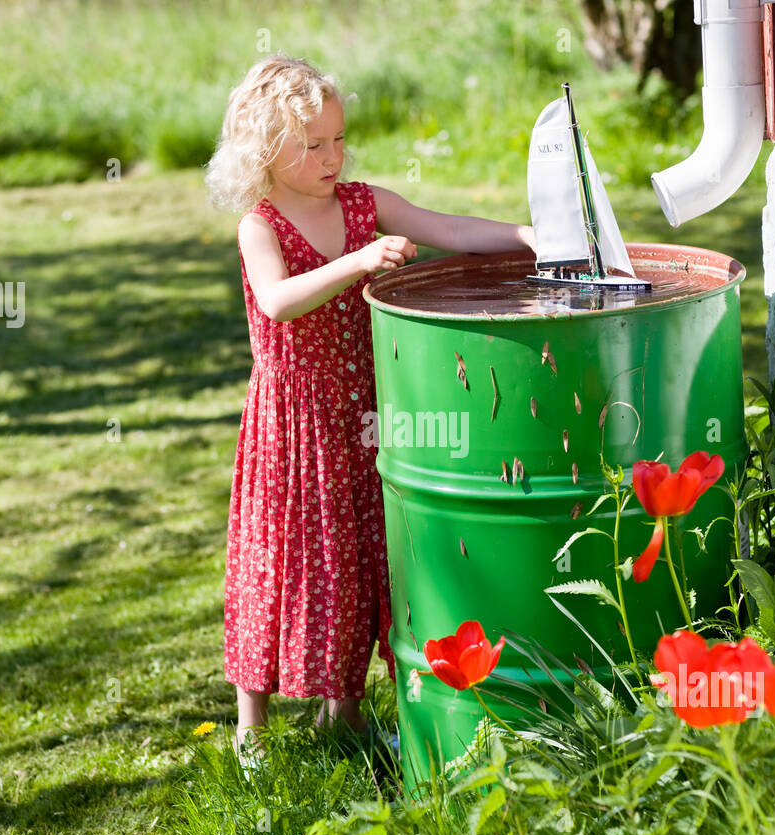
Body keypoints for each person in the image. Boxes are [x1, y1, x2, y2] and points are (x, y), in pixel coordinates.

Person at [205, 53, 534, 763]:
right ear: (266, 150)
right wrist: (357, 263)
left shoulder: (362, 203)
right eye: (313, 144)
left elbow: (450, 227)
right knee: (281, 556)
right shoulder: (260, 226)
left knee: (362, 556)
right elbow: (277, 300)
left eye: (338, 139)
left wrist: (526, 237)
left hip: (367, 409)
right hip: (293, 421)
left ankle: (343, 711)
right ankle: (250, 727)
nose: (333, 156)